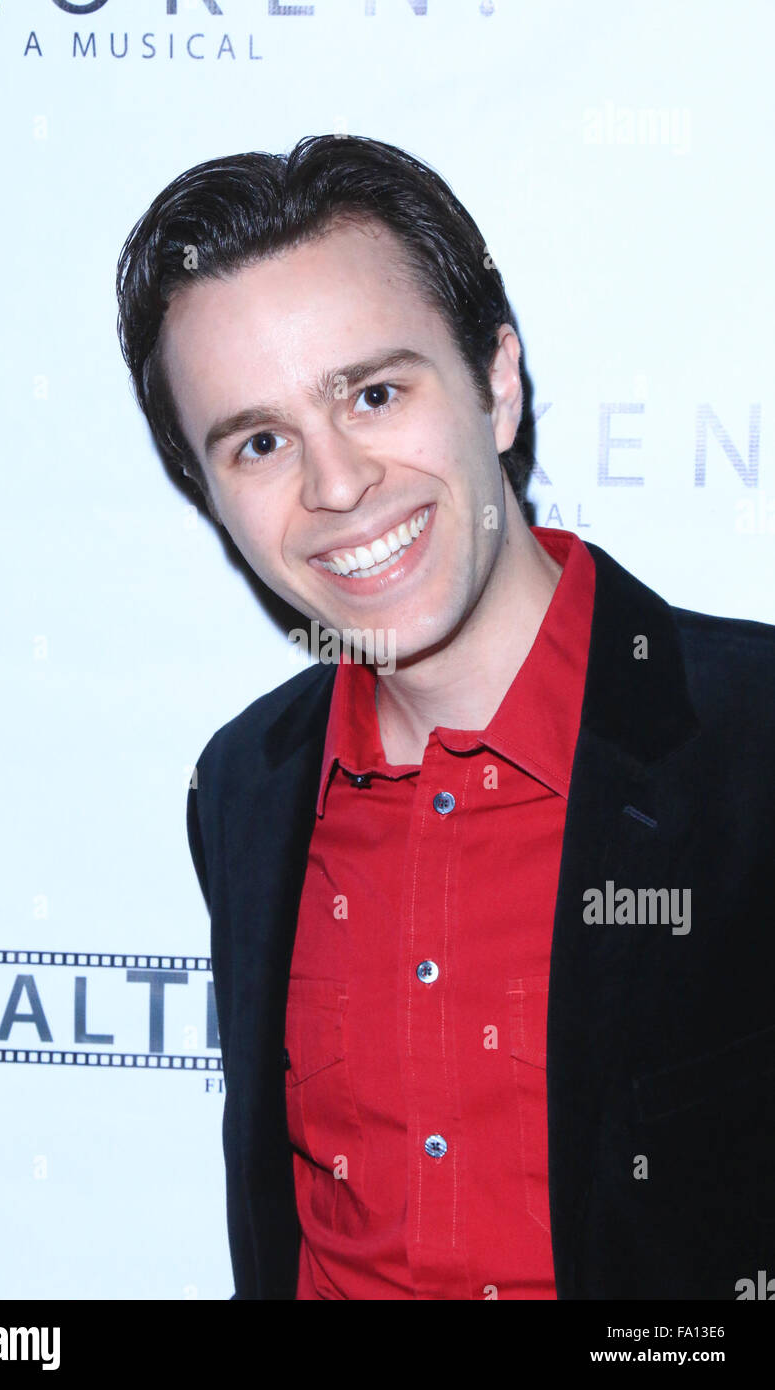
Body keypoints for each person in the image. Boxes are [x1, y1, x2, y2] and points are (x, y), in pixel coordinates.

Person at [115, 135, 775, 1300]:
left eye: (373, 393)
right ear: (206, 492)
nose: (334, 485)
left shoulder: (753, 742)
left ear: (498, 385)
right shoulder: (247, 786)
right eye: (259, 441)